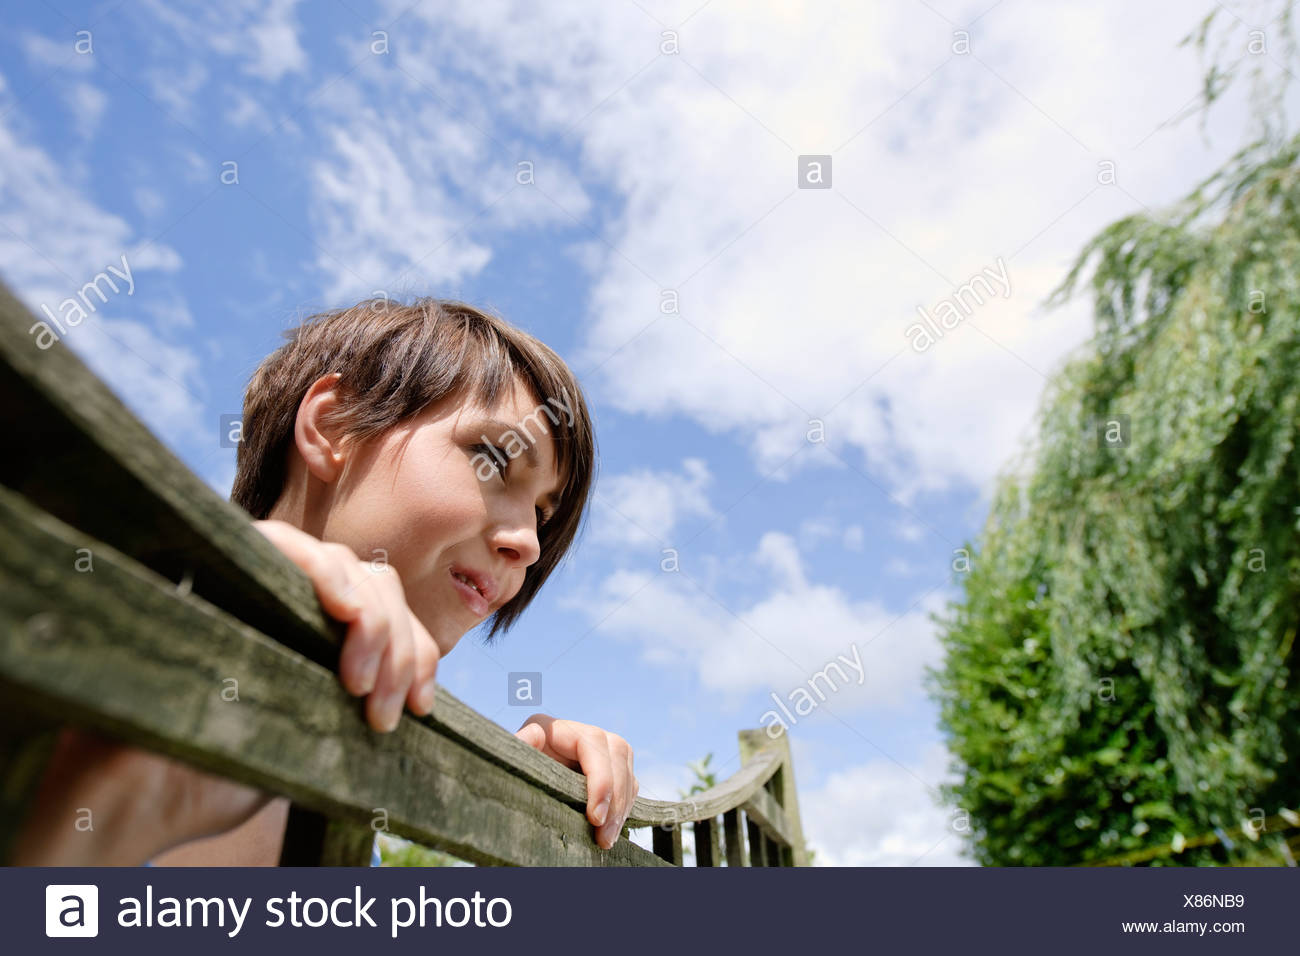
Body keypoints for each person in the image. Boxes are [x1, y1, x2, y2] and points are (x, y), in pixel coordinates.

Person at [11, 297, 638, 865]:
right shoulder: (79, 615)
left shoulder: (354, 768)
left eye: (542, 514)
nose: (528, 543)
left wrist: (513, 799)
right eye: (494, 458)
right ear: (332, 427)